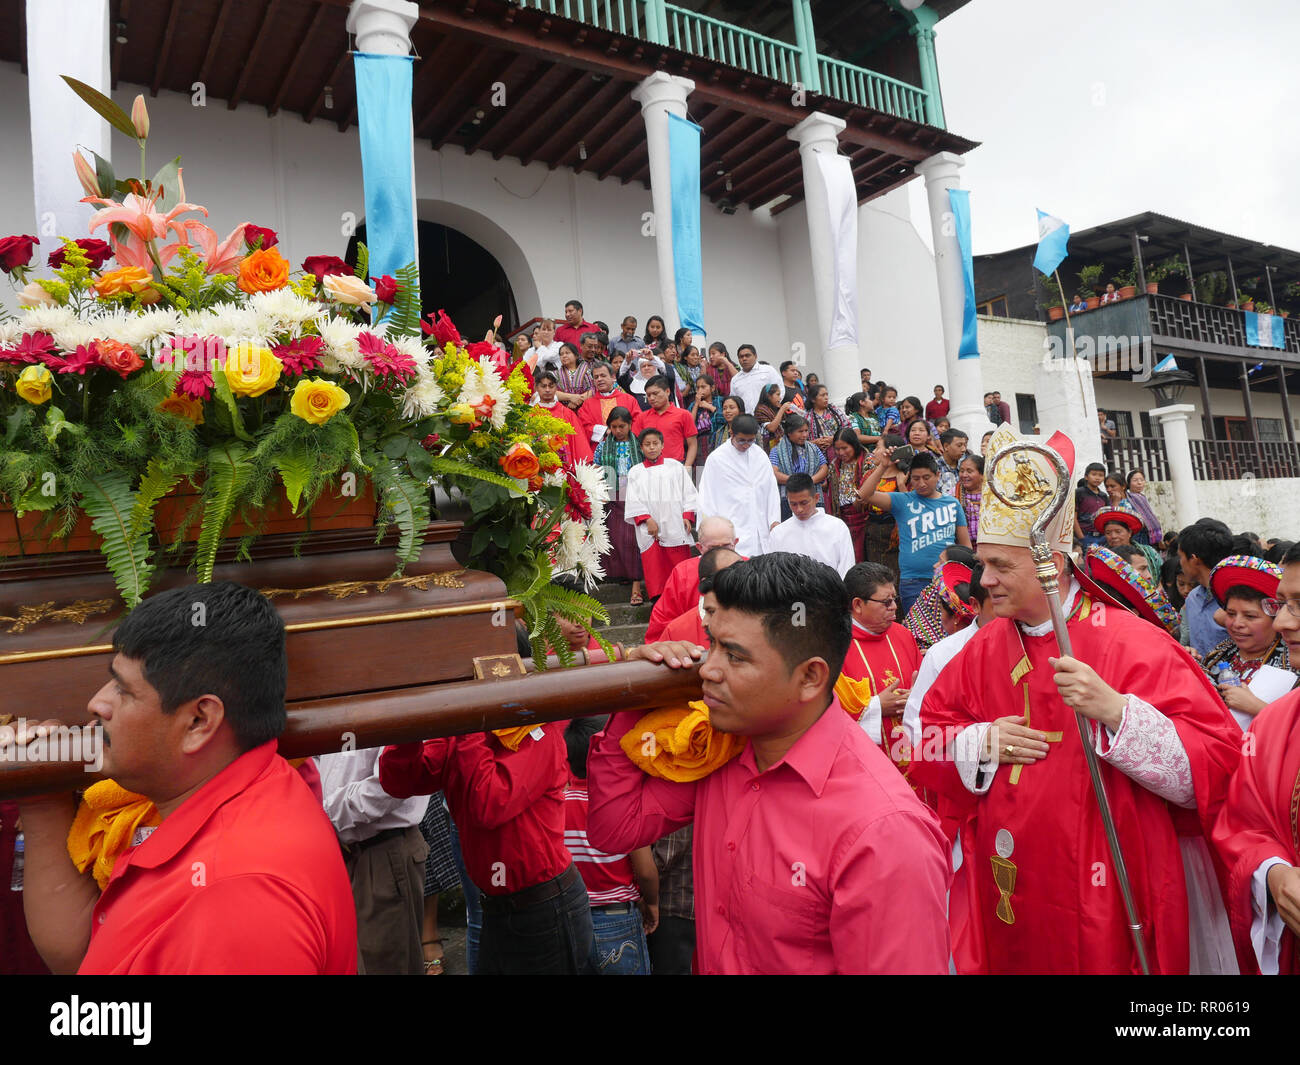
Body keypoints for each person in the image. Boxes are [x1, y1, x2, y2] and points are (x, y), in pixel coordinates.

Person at [914, 424, 1242, 975]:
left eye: (1000, 566)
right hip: (1011, 880)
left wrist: (1118, 714)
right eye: (983, 563)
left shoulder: (1133, 642)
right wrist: (979, 741)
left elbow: (1218, 766)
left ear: (1053, 564)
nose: (984, 580)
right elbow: (920, 739)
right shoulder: (980, 648)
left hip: (1109, 883)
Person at [586, 553, 952, 974]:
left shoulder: (884, 833)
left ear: (810, 677)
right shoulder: (724, 752)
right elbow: (615, 828)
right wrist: (639, 694)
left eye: (736, 656)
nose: (710, 670)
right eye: (713, 645)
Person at [10, 581, 356, 974]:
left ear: (198, 722)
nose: (97, 703)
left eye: (123, 691)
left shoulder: (236, 896)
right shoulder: (242, 794)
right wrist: (41, 796)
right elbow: (91, 956)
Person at [378, 583, 600, 976]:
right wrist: (410, 721)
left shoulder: (539, 734)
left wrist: (469, 717)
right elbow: (402, 780)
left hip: (545, 911)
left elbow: (487, 802)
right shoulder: (468, 731)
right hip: (497, 909)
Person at [1213, 542, 1300, 974]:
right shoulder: (1281, 721)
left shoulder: (1283, 684)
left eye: (1297, 607)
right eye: (1283, 604)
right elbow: (1246, 824)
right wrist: (1274, 873)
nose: (1284, 621)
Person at [320, 746, 430, 975]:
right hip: (346, 851)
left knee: (384, 965)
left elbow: (393, 783)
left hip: (382, 852)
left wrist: (326, 813)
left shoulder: (395, 710)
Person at [563, 716, 657, 975]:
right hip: (618, 918)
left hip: (572, 918)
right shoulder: (620, 807)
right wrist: (652, 903)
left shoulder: (558, 805)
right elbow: (646, 871)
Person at [857, 446, 970, 615]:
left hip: (948, 579)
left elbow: (966, 546)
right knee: (918, 633)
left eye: (926, 477)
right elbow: (864, 495)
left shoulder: (952, 504)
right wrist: (883, 466)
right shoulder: (902, 501)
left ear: (937, 475)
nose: (921, 483)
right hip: (913, 581)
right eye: (916, 478)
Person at [1201, 556, 1297, 730]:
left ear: (1275, 618)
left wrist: (1256, 707)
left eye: (1250, 616)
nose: (1237, 623)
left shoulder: (1293, 661)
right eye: (1230, 614)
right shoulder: (1217, 655)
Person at [625, 427, 699, 600]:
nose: (651, 448)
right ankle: (658, 602)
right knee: (655, 568)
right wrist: (646, 519)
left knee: (680, 568)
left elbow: (688, 492)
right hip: (650, 529)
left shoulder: (675, 467)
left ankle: (683, 599)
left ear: (662, 445)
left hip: (674, 523)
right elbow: (633, 499)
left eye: (655, 443)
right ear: (641, 448)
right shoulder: (635, 471)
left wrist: (687, 515)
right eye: (647, 444)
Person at [697, 414, 781, 558]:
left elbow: (771, 491)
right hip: (731, 528)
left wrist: (774, 520)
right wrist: (710, 530)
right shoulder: (717, 459)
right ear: (731, 433)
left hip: (760, 527)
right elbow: (706, 497)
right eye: (741, 440)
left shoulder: (760, 455)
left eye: (751, 441)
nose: (746, 445)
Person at [644, 517, 740, 641]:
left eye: (726, 546)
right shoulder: (683, 574)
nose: (720, 553)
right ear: (700, 547)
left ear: (735, 543)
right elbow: (662, 622)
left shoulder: (749, 568)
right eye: (713, 548)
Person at [593, 407, 645, 606]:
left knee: (633, 540)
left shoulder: (639, 444)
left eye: (622, 426)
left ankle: (636, 584)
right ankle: (624, 574)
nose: (618, 430)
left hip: (635, 497)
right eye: (613, 427)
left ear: (630, 425)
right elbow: (596, 468)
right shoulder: (602, 447)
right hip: (612, 497)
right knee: (615, 538)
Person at [769, 473, 856, 577]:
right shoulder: (778, 533)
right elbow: (773, 573)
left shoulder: (837, 527)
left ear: (816, 498)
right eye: (793, 504)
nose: (799, 509)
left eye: (804, 503)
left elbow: (847, 568)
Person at [658, 545, 744, 645]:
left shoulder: (756, 620)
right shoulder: (675, 633)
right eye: (729, 578)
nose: (739, 584)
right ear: (706, 583)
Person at [901, 548, 977, 654]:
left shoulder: (962, 604)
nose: (935, 565)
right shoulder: (930, 592)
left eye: (941, 562)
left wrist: (937, 653)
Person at [1180, 520, 1235, 657]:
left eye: (1180, 556)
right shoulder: (1193, 598)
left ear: (1194, 559)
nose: (1180, 562)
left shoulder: (1236, 599)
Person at [862, 438, 906, 582]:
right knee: (876, 577)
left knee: (895, 577)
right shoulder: (871, 475)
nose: (873, 452)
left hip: (896, 534)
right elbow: (859, 502)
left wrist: (902, 485)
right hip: (873, 532)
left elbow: (910, 507)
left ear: (890, 451)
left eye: (877, 447)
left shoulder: (906, 476)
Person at [825, 427, 871, 563]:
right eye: (837, 449)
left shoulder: (868, 461)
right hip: (843, 517)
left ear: (854, 445)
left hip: (864, 517)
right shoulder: (835, 465)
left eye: (845, 448)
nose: (840, 452)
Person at [769, 415, 828, 519]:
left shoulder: (813, 448)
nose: (805, 435)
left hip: (812, 496)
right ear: (789, 433)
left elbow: (824, 468)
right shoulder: (777, 451)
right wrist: (795, 482)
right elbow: (773, 473)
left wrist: (808, 481)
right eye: (800, 431)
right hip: (789, 501)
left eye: (806, 431)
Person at [633, 376, 698, 467]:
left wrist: (686, 468)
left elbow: (692, 445)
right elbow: (635, 446)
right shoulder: (641, 417)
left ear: (667, 391)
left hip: (676, 466)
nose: (651, 398)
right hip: (650, 468)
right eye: (648, 395)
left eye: (655, 393)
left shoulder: (684, 415)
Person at [532, 369, 593, 465]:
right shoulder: (531, 415)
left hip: (564, 466)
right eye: (543, 386)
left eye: (551, 386)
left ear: (556, 388)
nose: (547, 390)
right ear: (536, 388)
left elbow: (580, 444)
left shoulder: (568, 414)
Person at [577, 360, 637, 448]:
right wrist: (605, 431)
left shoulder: (629, 399)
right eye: (596, 377)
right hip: (600, 450)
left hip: (627, 447)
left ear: (613, 377)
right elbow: (584, 427)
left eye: (603, 375)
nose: (599, 379)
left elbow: (638, 422)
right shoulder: (587, 404)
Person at [1093, 508, 1162, 580]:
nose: (1113, 536)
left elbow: (1162, 575)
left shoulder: (1149, 552)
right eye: (1108, 533)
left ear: (1129, 532)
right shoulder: (1101, 556)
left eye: (1118, 531)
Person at [729, 342, 782, 417]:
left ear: (755, 356)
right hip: (747, 421)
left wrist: (772, 410)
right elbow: (734, 401)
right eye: (741, 357)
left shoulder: (768, 370)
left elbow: (781, 390)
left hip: (769, 417)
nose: (744, 359)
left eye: (747, 355)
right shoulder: (735, 379)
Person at [805, 383, 849, 465]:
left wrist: (834, 439)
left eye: (827, 395)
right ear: (813, 399)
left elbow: (848, 428)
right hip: (819, 459)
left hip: (840, 454)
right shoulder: (807, 417)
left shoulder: (835, 411)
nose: (826, 398)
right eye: (822, 395)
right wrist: (814, 443)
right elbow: (802, 441)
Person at [1073, 462, 1109, 547]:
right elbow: (1073, 517)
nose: (1097, 478)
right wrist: (1081, 537)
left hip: (1102, 536)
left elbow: (1106, 517)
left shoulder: (1103, 496)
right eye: (1094, 474)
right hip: (1085, 534)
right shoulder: (1079, 493)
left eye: (1100, 475)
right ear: (1086, 476)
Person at [1125, 469, 1163, 545]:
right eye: (1135, 480)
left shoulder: (1142, 497)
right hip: (1138, 535)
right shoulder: (1128, 499)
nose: (1139, 483)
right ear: (1128, 483)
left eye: (1142, 480)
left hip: (1147, 534)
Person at [555, 340, 594, 410]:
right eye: (561, 354)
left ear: (576, 355)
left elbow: (592, 390)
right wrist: (571, 397)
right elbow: (553, 392)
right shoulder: (556, 374)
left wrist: (577, 401)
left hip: (584, 408)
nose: (564, 356)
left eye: (567, 353)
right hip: (563, 409)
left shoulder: (586, 370)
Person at [754, 383, 791, 452]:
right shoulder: (760, 410)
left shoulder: (774, 408)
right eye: (777, 394)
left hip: (778, 445)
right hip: (766, 447)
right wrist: (782, 409)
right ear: (768, 396)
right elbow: (771, 428)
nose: (780, 398)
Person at [958, 454, 983, 546]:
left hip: (989, 546)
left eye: (969, 471)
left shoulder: (991, 495)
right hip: (964, 547)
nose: (964, 475)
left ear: (982, 474)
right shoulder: (953, 494)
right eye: (961, 471)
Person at [934, 429, 968, 497]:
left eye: (965, 445)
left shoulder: (966, 464)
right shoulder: (934, 467)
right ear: (946, 446)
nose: (964, 449)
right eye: (959, 445)